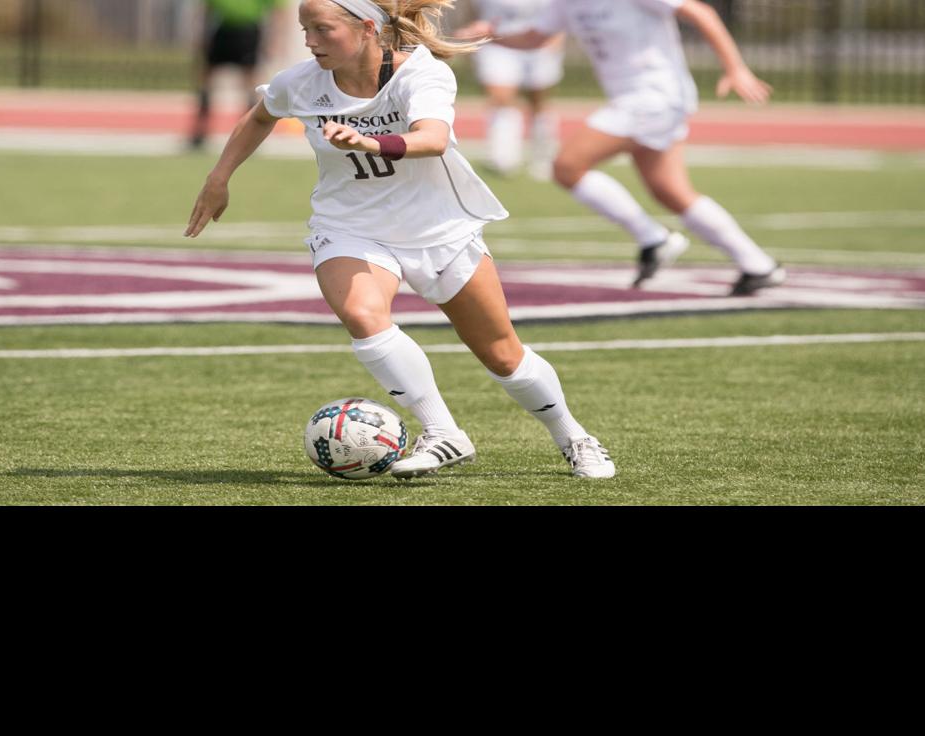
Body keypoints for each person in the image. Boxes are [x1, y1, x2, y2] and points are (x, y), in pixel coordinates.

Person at [184, 0, 617, 479]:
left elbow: (432, 138)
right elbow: (260, 115)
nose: (310, 41)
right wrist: (219, 177)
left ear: (367, 28)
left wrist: (371, 142)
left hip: (438, 228)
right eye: (305, 29)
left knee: (502, 354)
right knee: (362, 314)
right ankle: (444, 433)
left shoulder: (422, 74)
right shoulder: (300, 81)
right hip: (350, 226)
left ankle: (574, 436)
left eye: (322, 30)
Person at [467, 0, 784, 295]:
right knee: (670, 191)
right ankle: (759, 265)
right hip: (637, 101)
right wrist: (492, 36)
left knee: (567, 166)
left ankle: (654, 238)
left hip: (654, 97)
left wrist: (735, 69)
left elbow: (702, 13)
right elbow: (535, 38)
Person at [454, 0, 566, 178]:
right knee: (500, 97)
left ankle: (543, 155)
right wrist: (469, 30)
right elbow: (471, 10)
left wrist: (558, 34)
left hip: (540, 42)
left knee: (537, 100)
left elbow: (560, 9)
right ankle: (504, 157)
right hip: (497, 42)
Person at [190, 0, 282, 151]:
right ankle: (200, 131)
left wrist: (275, 40)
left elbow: (278, 11)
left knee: (251, 83)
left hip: (249, 30)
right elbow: (205, 8)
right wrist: (200, 36)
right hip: (223, 29)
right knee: (205, 78)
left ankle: (250, 135)